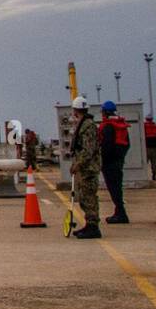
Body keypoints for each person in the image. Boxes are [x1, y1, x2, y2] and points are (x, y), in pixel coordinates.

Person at [69, 96, 101, 239]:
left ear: (76, 110)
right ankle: (89, 225)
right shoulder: (84, 125)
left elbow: (88, 150)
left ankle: (93, 226)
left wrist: (78, 164)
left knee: (88, 197)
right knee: (84, 197)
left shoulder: (87, 126)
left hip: (89, 168)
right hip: (85, 167)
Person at [98, 100, 130, 224]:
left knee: (113, 188)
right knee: (117, 187)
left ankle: (121, 213)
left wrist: (103, 161)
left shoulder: (108, 126)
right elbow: (127, 144)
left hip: (109, 163)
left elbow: (106, 146)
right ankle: (119, 211)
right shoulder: (120, 125)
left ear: (105, 112)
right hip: (118, 161)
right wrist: (120, 157)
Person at [143, 115, 156, 181]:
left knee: (145, 162)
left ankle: (144, 175)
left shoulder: (144, 126)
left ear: (146, 119)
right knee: (154, 162)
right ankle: (154, 174)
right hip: (154, 148)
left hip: (146, 147)